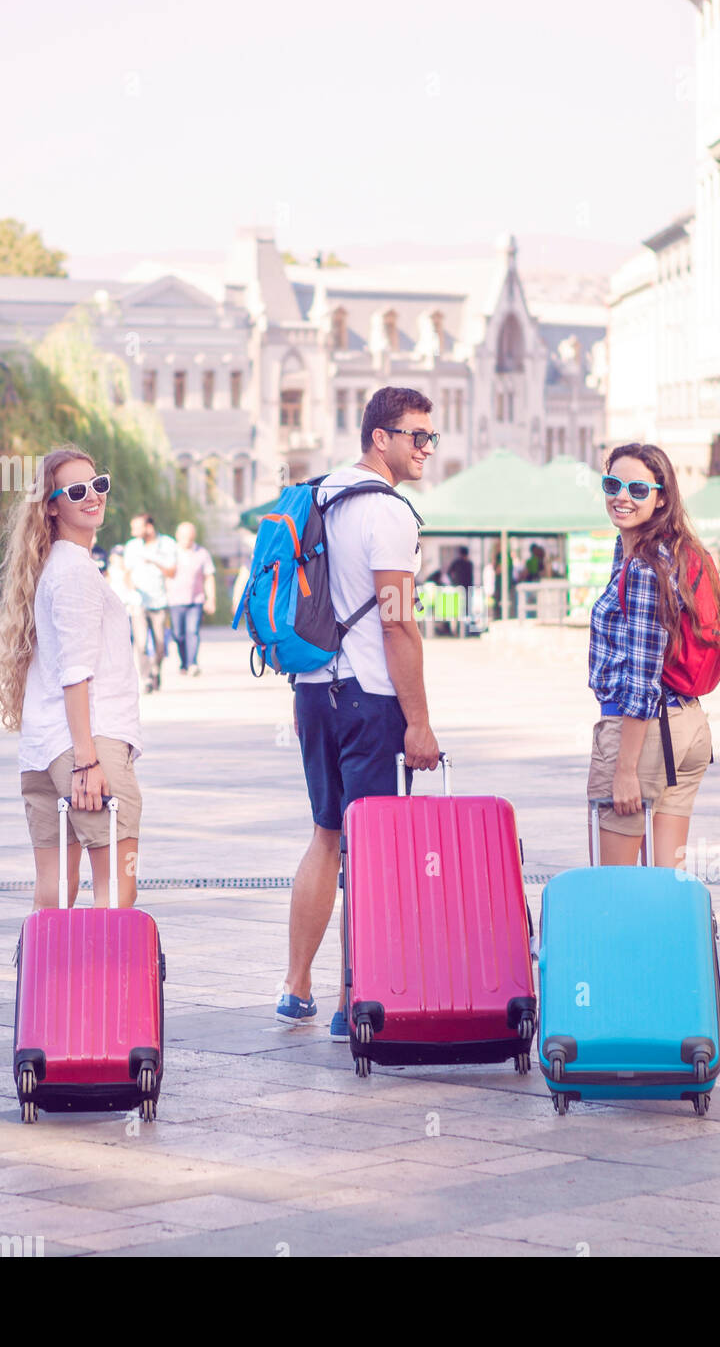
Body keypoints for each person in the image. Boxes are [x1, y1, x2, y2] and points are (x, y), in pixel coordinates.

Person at [278, 385, 441, 1039]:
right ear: (382, 437)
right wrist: (420, 721)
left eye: (431, 437)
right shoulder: (389, 513)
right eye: (417, 436)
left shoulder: (320, 494)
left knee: (325, 836)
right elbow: (398, 626)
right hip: (369, 701)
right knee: (370, 850)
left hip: (314, 691)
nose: (426, 448)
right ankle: (356, 999)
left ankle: (296, 988)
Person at [0, 447, 142, 909]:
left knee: (53, 893)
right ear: (52, 505)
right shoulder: (75, 571)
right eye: (76, 490)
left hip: (42, 750)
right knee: (116, 890)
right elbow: (76, 674)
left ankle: (44, 983)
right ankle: (101, 984)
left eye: (99, 484)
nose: (93, 495)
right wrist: (86, 762)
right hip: (87, 747)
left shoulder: (51, 568)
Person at [587, 442, 720, 870]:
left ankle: (629, 940)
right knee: (665, 879)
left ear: (661, 496)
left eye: (638, 488)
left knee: (616, 885)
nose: (622, 496)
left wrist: (625, 769)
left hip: (645, 733)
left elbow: (641, 677)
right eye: (612, 484)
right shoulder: (677, 550)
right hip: (689, 726)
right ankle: (677, 939)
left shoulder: (643, 568)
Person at [124, 513, 177, 693]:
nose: (133, 532)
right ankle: (146, 678)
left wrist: (153, 560)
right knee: (141, 643)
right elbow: (127, 573)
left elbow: (172, 572)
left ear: (149, 527)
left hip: (159, 601)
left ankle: (156, 669)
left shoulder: (167, 544)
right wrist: (131, 591)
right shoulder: (131, 546)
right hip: (139, 603)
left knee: (160, 643)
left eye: (136, 527)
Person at [167, 521, 216, 676]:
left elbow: (209, 577)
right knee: (178, 634)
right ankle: (184, 663)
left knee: (192, 631)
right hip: (175, 600)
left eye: (189, 536)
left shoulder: (202, 553)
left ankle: (192, 663)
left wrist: (211, 599)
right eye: (183, 536)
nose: (186, 539)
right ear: (177, 536)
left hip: (196, 600)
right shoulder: (171, 552)